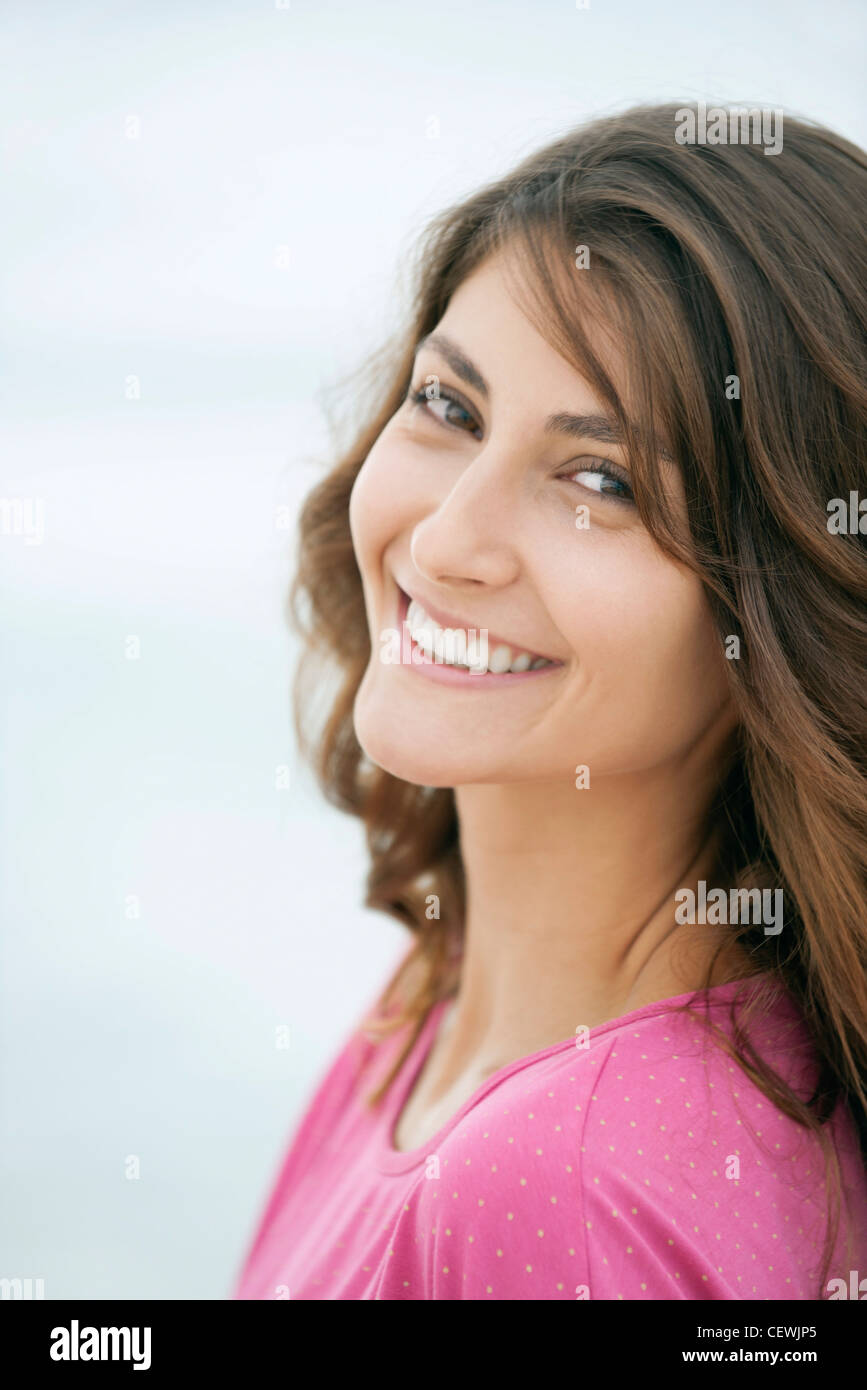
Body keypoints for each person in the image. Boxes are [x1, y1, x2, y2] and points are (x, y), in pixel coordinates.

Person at [233, 102, 867, 1300]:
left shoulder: (556, 1188)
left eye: (599, 478)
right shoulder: (447, 999)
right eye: (449, 406)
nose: (450, 536)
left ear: (783, 615)